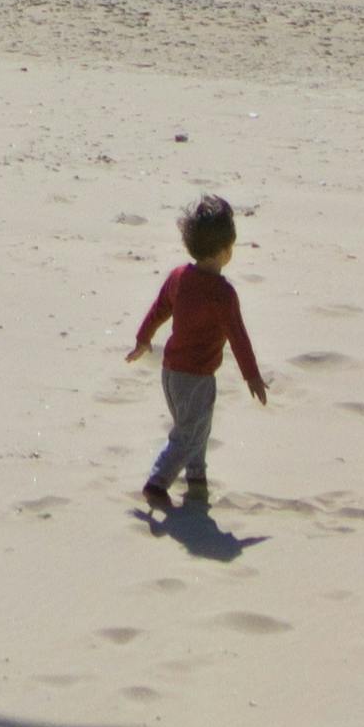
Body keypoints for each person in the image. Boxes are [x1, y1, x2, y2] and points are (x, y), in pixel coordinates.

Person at [129, 194, 268, 509]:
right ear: (225, 252)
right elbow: (239, 338)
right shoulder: (223, 294)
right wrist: (252, 376)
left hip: (170, 373)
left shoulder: (179, 276)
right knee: (189, 433)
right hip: (197, 378)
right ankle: (157, 482)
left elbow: (159, 308)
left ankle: (197, 479)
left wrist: (143, 338)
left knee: (197, 429)